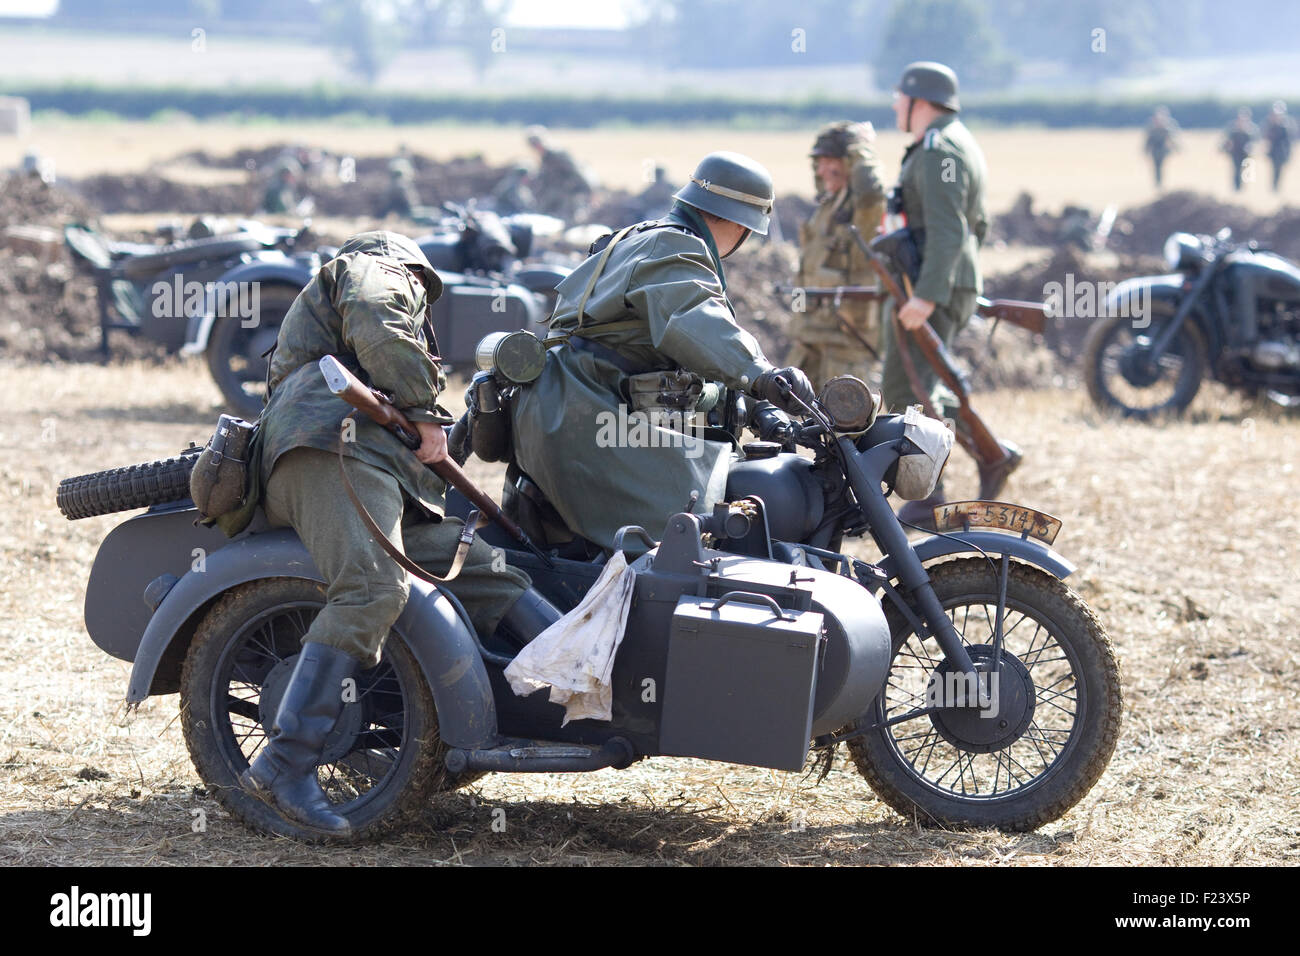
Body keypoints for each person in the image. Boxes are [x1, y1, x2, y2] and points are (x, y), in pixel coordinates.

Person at [241, 231, 560, 834]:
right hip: (332, 446)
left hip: (373, 463)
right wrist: (423, 411)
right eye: (422, 286)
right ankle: (284, 763)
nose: (421, 294)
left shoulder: (367, 278)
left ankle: (576, 672)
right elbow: (381, 320)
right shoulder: (374, 268)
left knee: (488, 573)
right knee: (371, 589)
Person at [509, 152, 815, 552]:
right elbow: (695, 321)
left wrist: (754, 404)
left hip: (564, 409)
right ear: (736, 222)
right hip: (588, 418)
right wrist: (760, 373)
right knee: (694, 533)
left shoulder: (642, 236)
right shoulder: (673, 246)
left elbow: (670, 352)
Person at [882, 61, 1021, 525]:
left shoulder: (941, 150)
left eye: (900, 96)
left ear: (919, 100)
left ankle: (930, 495)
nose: (896, 104)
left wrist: (927, 294)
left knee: (910, 389)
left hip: (931, 286)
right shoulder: (944, 143)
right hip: (932, 280)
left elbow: (949, 229)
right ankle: (985, 458)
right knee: (923, 385)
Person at [790, 121, 887, 389]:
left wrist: (861, 149)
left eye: (829, 161)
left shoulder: (864, 209)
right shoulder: (829, 206)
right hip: (814, 330)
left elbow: (871, 190)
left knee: (843, 415)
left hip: (846, 336)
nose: (821, 170)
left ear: (849, 163)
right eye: (818, 163)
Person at [525, 125, 595, 223]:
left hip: (568, 195)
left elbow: (576, 171)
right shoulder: (545, 157)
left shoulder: (556, 154)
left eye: (535, 143)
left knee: (567, 222)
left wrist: (590, 191)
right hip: (555, 197)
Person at [1222, 108, 1259, 192]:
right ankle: (1237, 188)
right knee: (1236, 169)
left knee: (1246, 171)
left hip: (1246, 154)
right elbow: (1227, 141)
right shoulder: (1233, 129)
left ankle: (1243, 188)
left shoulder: (1252, 130)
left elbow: (1255, 142)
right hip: (1235, 153)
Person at [1143, 106, 1180, 189]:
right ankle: (1158, 183)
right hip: (1155, 150)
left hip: (1163, 150)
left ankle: (1160, 183)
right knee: (1156, 167)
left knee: (1161, 166)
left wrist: (1177, 148)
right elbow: (1148, 139)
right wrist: (1146, 149)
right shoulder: (1151, 126)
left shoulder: (1168, 126)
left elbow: (1172, 139)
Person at [1263, 101, 1296, 193]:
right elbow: (1267, 138)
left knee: (1279, 170)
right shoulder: (1270, 125)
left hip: (1282, 152)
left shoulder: (1286, 125)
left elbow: (1289, 140)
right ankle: (1274, 188)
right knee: (1275, 169)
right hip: (1274, 152)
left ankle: (1276, 188)